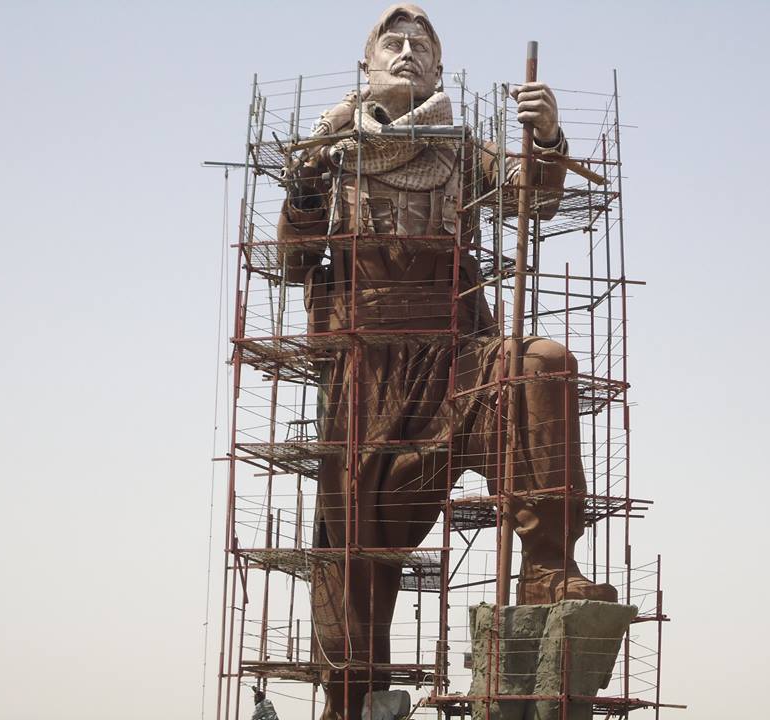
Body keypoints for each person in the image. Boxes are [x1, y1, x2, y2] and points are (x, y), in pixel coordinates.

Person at [276, 5, 616, 718]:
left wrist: (548, 136)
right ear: (368, 63)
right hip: (370, 371)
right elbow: (292, 260)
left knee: (542, 363)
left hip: (457, 354)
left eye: (420, 47)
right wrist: (305, 174)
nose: (405, 54)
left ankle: (549, 569)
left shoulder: (460, 149)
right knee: (355, 550)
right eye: (391, 44)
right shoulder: (333, 154)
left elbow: (536, 197)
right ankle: (353, 690)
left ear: (437, 67)